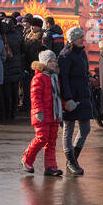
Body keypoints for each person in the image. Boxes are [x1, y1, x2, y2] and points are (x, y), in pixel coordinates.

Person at [22, 48, 64, 176]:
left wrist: (62, 109)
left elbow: (58, 96)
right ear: (44, 63)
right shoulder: (38, 78)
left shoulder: (55, 77)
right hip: (42, 115)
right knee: (42, 138)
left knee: (51, 142)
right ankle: (27, 159)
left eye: (54, 61)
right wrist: (38, 111)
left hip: (54, 114)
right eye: (50, 61)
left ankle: (51, 167)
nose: (53, 63)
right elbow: (35, 97)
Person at [58, 25, 93, 174]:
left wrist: (90, 77)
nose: (82, 39)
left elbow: (83, 71)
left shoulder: (81, 53)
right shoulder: (65, 55)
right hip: (71, 96)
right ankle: (71, 162)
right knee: (68, 129)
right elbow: (63, 78)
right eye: (79, 37)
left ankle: (73, 159)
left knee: (86, 128)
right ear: (72, 39)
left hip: (83, 94)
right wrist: (67, 98)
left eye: (82, 37)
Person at [0, 16, 25, 123]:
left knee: (6, 91)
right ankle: (14, 112)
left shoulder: (2, 36)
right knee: (14, 90)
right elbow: (23, 51)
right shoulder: (19, 36)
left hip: (6, 66)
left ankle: (7, 112)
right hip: (17, 65)